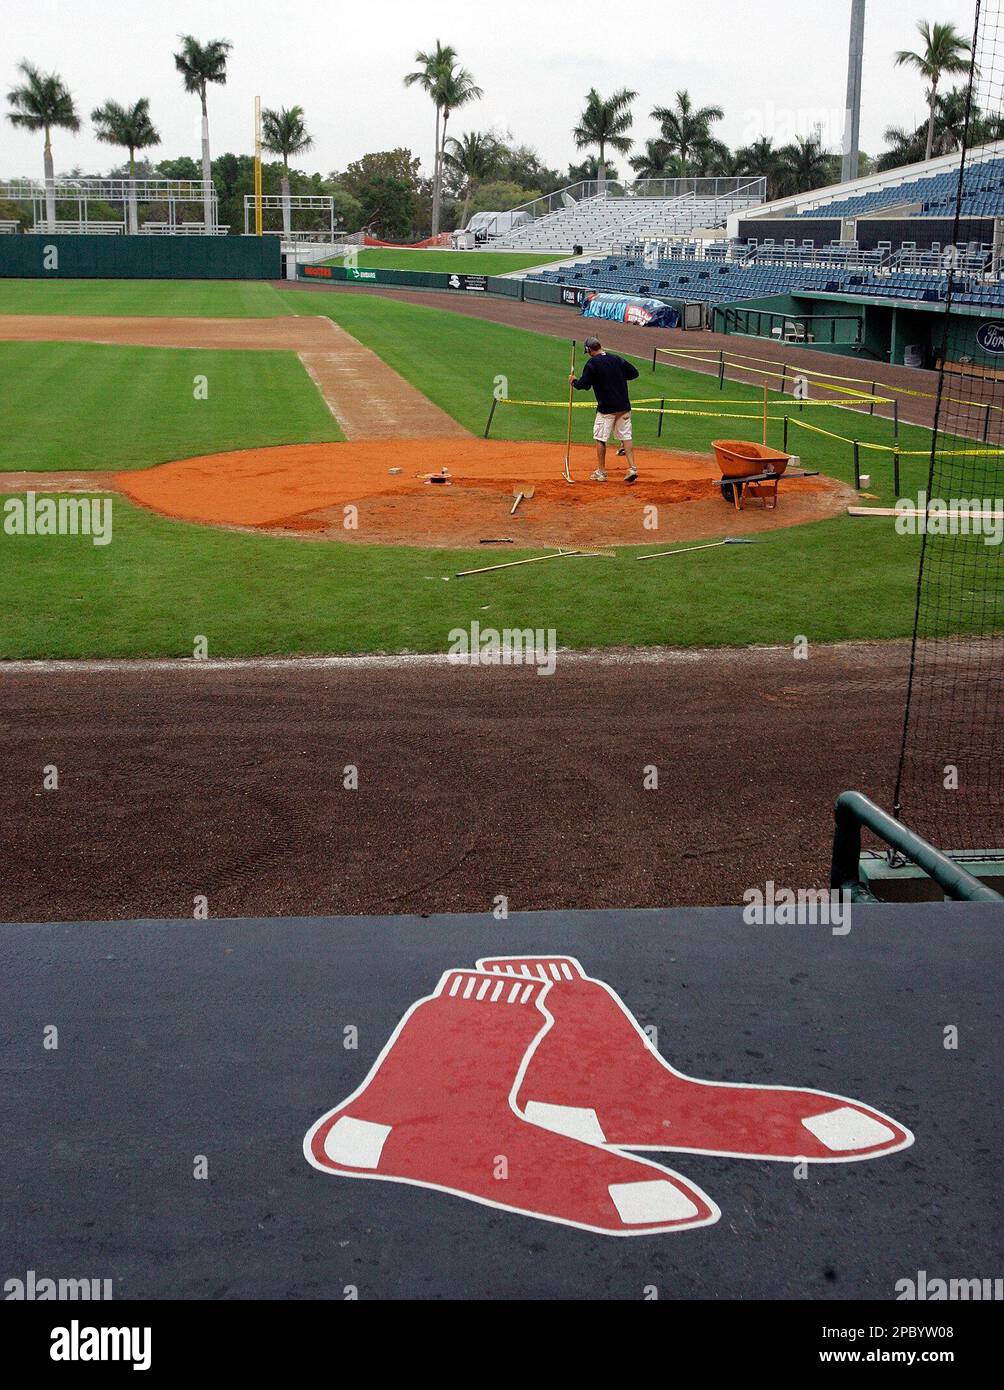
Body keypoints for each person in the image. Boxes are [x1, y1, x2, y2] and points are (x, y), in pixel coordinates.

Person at [569, 336, 640, 483]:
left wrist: (574, 381)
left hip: (607, 408)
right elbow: (634, 373)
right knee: (626, 437)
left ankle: (601, 472)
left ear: (589, 350)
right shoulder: (616, 359)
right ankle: (632, 468)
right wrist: (617, 377)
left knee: (601, 438)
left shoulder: (592, 364)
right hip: (624, 407)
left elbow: (585, 384)